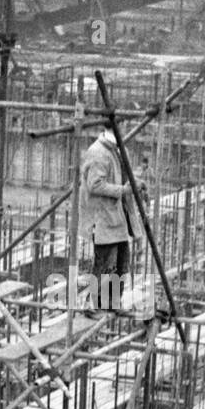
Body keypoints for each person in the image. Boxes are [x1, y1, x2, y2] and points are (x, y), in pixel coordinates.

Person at [81, 126, 141, 312]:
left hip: (119, 217)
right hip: (103, 219)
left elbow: (123, 178)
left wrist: (135, 184)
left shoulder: (120, 150)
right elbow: (95, 185)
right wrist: (122, 190)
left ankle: (113, 303)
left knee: (121, 264)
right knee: (106, 264)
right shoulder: (98, 152)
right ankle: (94, 305)